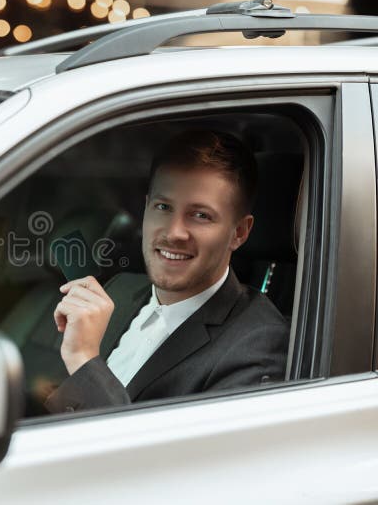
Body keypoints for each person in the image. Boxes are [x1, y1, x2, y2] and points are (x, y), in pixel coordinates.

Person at [44, 130, 289, 413]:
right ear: (146, 207)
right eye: (163, 206)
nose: (175, 233)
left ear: (239, 232)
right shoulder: (118, 290)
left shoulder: (259, 348)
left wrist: (85, 360)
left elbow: (174, 458)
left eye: (201, 215)